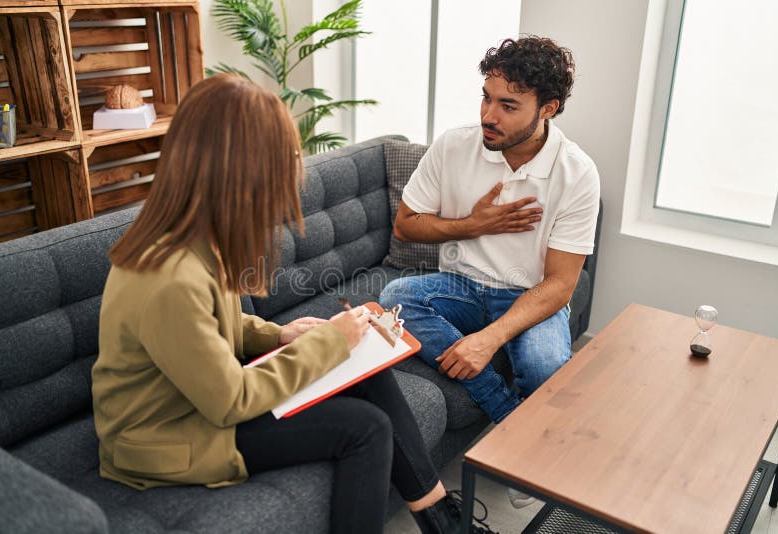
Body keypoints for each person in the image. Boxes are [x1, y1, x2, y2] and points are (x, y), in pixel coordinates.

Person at [92, 74, 494, 534]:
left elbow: (212, 323)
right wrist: (328, 343)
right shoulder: (170, 276)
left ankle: (441, 520)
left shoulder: (190, 234)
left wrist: (280, 334)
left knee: (365, 366)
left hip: (196, 402)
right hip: (169, 435)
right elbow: (230, 401)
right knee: (365, 428)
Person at [380, 35, 599, 449]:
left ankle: (532, 440)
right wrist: (471, 225)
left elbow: (560, 284)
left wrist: (489, 339)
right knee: (396, 296)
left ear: (548, 109)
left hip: (529, 293)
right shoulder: (454, 145)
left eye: (508, 106)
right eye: (486, 98)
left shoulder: (577, 172)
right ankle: (508, 414)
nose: (488, 115)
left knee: (545, 366)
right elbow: (405, 226)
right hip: (460, 286)